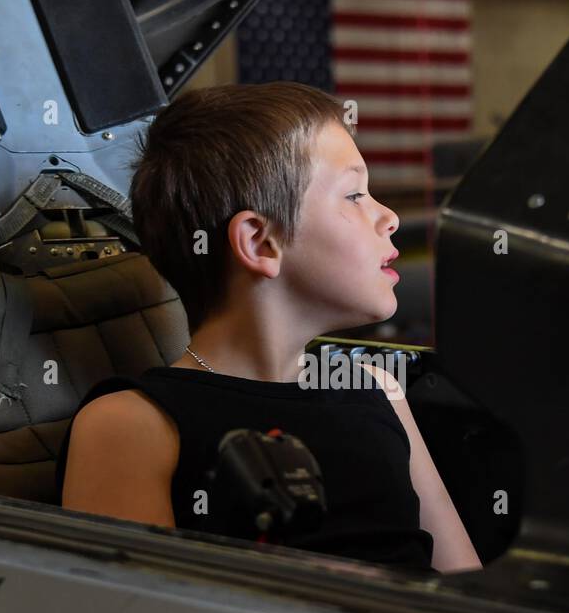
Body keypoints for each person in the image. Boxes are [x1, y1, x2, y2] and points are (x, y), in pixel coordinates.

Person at [57, 81, 481, 574]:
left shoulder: (377, 390)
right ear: (260, 243)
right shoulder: (130, 425)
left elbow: (466, 593)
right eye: (354, 194)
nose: (387, 217)